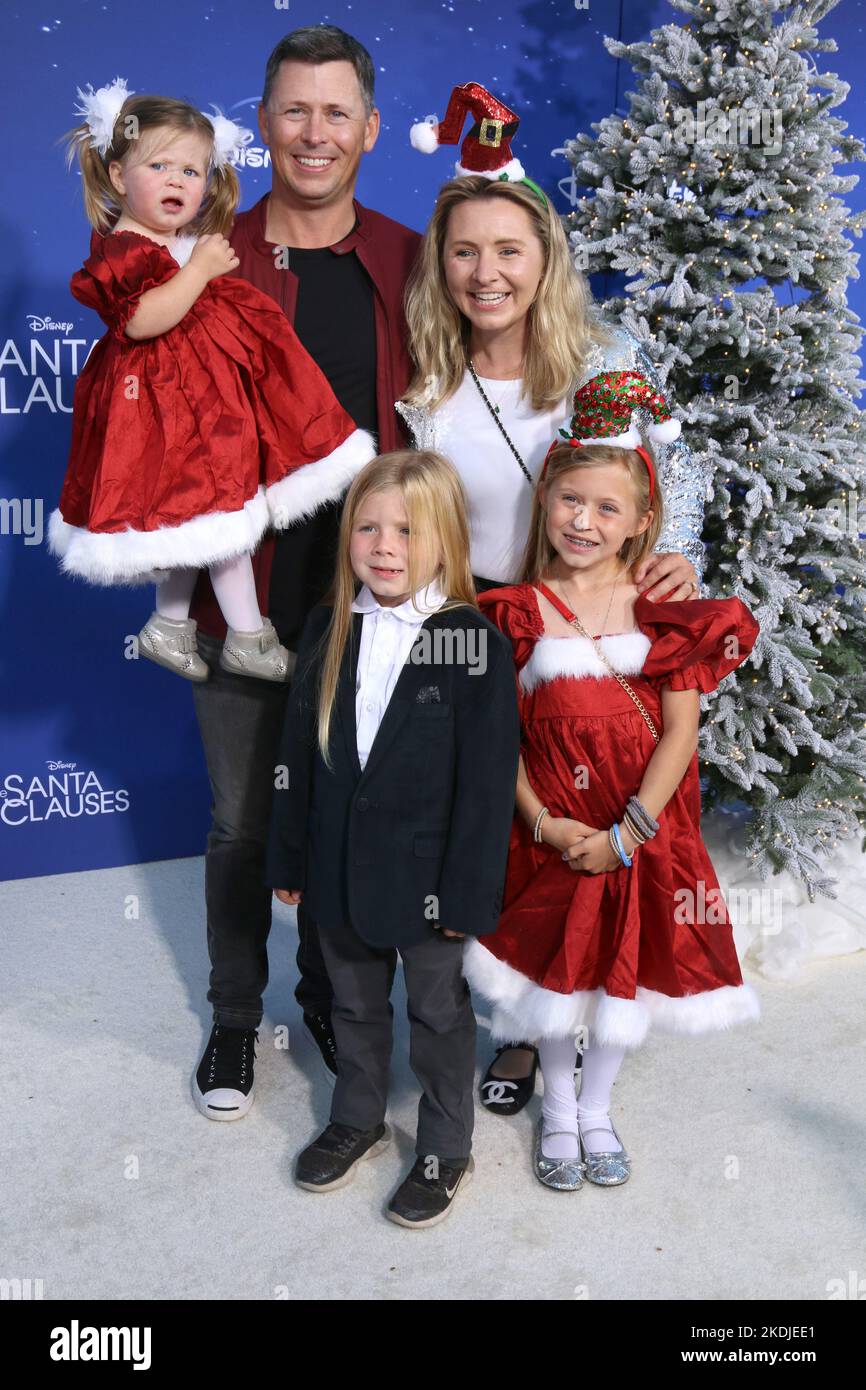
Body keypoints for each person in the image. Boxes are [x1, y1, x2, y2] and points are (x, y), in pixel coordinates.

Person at [399, 120, 708, 1111]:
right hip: (469, 621)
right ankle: (498, 1013)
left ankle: (555, 1027)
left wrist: (676, 548)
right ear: (440, 261)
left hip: (575, 626)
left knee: (567, 836)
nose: (484, 272)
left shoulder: (600, 355)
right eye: (464, 251)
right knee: (491, 828)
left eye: (506, 250)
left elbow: (676, 468)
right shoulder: (422, 372)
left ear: (542, 257)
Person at [181, 28, 422, 1117]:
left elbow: (511, 390)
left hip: (368, 601)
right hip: (241, 600)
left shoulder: (414, 261)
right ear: (261, 122)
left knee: (346, 813)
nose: (313, 133)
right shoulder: (204, 253)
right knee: (241, 820)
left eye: (336, 113)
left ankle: (333, 998)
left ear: (369, 129)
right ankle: (237, 1019)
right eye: (293, 110)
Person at [463, 374, 761, 1190]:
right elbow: (500, 742)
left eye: (605, 509)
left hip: (644, 833)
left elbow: (679, 733)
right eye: (569, 502)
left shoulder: (665, 615)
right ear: (546, 501)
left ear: (640, 524)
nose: (583, 523)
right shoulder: (515, 611)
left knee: (623, 980)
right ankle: (557, 1111)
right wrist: (549, 826)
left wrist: (629, 832)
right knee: (554, 975)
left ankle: (597, 1108)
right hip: (553, 833)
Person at [266, 451, 520, 1227]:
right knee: (353, 1002)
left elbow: (485, 789)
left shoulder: (471, 641)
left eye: (407, 531)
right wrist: (289, 857)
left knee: (439, 1016)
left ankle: (446, 1144)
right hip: (340, 865)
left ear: (444, 540)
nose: (384, 546)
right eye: (368, 527)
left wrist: (470, 893)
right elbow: (295, 759)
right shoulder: (328, 626)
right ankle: (358, 1115)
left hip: (433, 876)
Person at [49, 78, 373, 683]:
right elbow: (143, 321)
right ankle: (247, 637)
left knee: (195, 523)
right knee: (221, 518)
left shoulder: (178, 243)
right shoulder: (125, 248)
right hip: (160, 411)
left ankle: (169, 626)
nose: (177, 181)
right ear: (119, 177)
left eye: (192, 171)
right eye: (160, 165)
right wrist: (198, 270)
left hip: (200, 407)